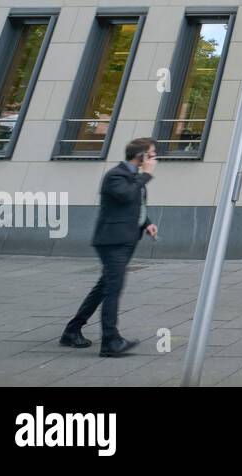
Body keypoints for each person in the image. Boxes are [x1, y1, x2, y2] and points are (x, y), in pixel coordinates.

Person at [61, 137, 158, 357]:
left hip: (125, 239)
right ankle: (110, 342)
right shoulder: (116, 175)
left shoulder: (133, 177)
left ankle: (72, 330)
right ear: (141, 156)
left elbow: (134, 204)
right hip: (112, 242)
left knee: (104, 287)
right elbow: (126, 195)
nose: (155, 159)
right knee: (113, 289)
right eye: (152, 154)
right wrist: (146, 174)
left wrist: (147, 223)